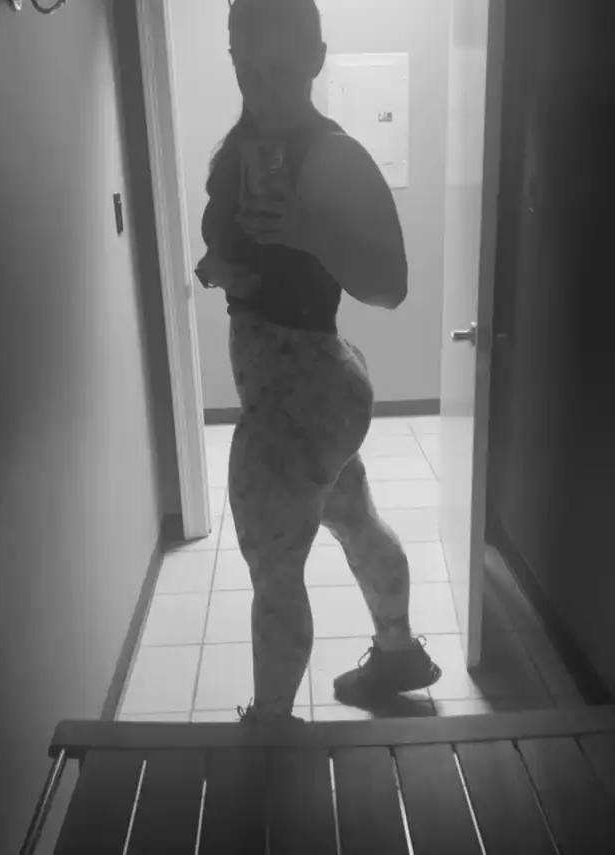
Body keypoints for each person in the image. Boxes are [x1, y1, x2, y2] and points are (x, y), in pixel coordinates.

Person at [195, 0, 441, 722]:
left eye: (280, 68)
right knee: (354, 518)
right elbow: (237, 253)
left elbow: (390, 286)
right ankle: (398, 654)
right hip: (305, 391)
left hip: (298, 393)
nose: (262, 86)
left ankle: (270, 729)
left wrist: (309, 231)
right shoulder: (241, 149)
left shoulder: (335, 154)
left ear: (316, 59)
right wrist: (217, 268)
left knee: (273, 577)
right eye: (245, 67)